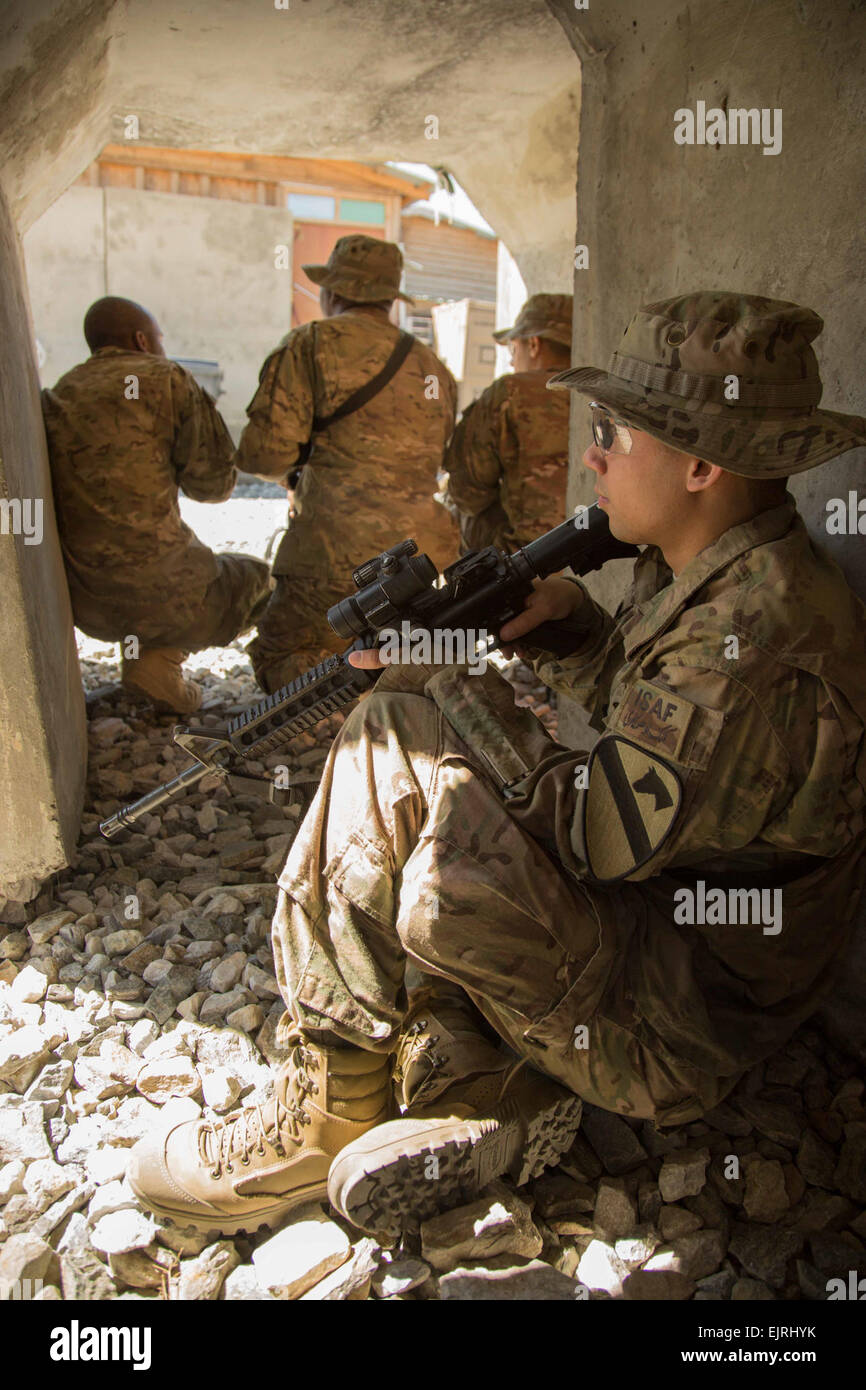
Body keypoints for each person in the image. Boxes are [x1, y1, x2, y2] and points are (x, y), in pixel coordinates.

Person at [129, 292, 866, 1240]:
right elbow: (665, 750)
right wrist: (572, 636)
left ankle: (321, 1117)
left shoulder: (758, 635)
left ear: (701, 464)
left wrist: (453, 680)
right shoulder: (710, 568)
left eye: (614, 433)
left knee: (390, 746)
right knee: (417, 729)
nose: (592, 455)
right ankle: (482, 1073)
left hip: (677, 1022)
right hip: (672, 944)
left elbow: (605, 832)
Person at [235, 234, 458, 694]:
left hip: (329, 557)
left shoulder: (308, 345)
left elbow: (264, 454)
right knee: (403, 647)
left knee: (280, 653)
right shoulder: (432, 365)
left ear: (332, 292)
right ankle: (407, 687)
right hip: (420, 562)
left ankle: (341, 706)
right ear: (388, 298)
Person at [42, 296, 271, 714]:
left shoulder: (60, 392)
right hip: (165, 598)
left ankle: (149, 663)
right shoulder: (166, 379)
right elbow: (214, 486)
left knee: (161, 571)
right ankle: (168, 661)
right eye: (161, 340)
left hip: (86, 604)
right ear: (142, 340)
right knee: (261, 581)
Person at [438, 292, 573, 553]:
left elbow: (467, 492)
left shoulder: (512, 392)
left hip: (529, 555)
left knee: (453, 506)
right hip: (598, 541)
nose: (511, 360)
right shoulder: (605, 389)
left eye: (514, 348)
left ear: (534, 344)